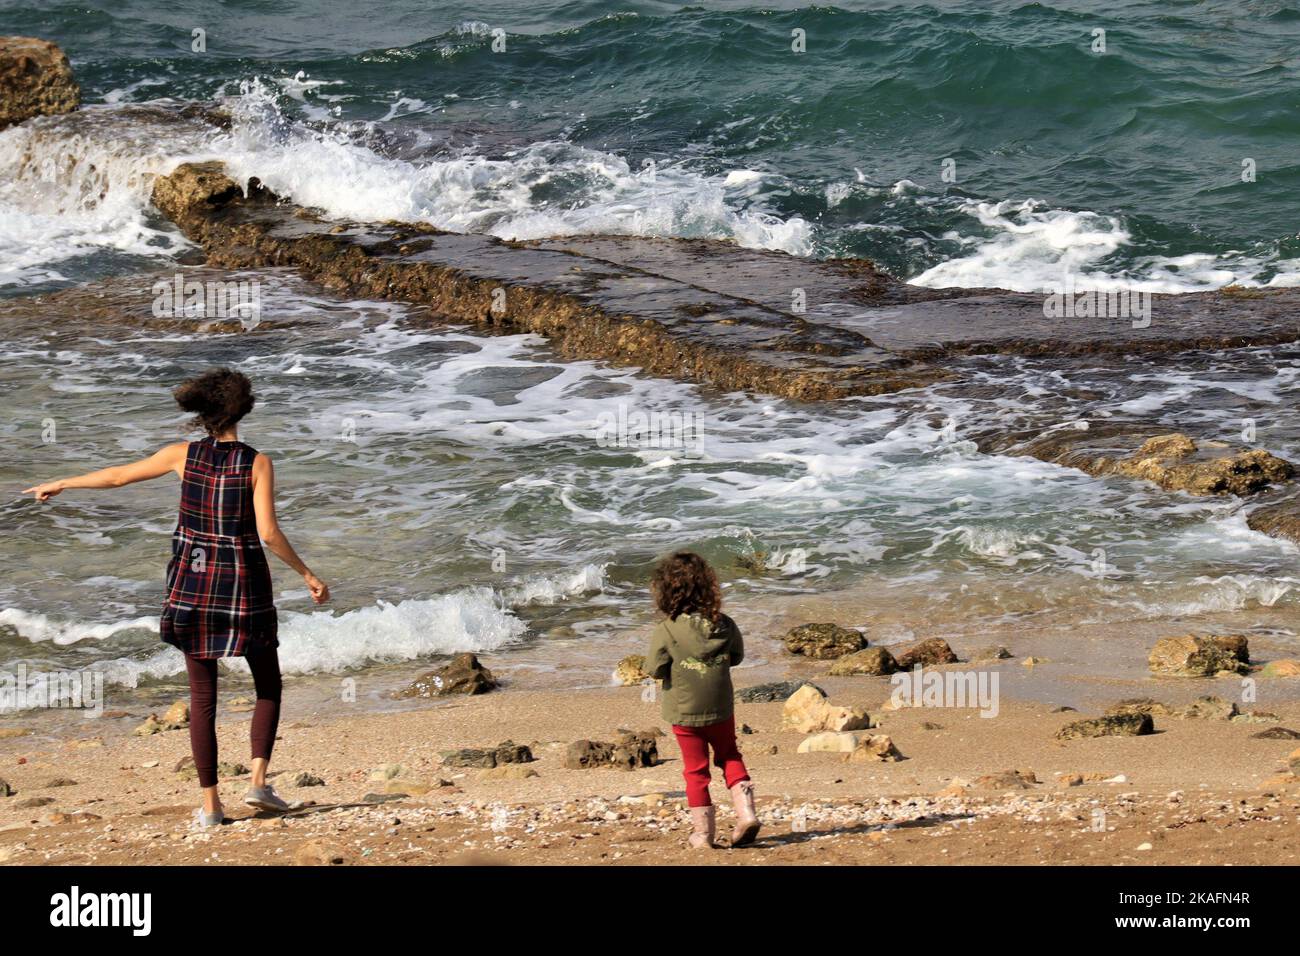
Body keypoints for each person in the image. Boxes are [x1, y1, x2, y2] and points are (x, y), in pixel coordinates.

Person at [24, 368, 329, 827]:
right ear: (243, 410)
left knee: (202, 696)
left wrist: (64, 481)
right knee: (267, 683)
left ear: (201, 412)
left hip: (190, 585)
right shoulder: (256, 462)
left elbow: (118, 477)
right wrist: (307, 573)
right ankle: (258, 783)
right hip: (244, 586)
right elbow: (268, 532)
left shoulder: (180, 455)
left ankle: (210, 809)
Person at [646, 551, 758, 849]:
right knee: (730, 756)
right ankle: (746, 813)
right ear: (708, 587)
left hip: (684, 711)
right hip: (721, 708)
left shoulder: (667, 629)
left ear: (666, 592)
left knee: (695, 771)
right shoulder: (725, 624)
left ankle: (703, 835)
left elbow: (655, 668)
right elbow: (736, 657)